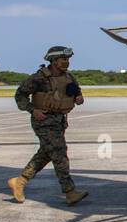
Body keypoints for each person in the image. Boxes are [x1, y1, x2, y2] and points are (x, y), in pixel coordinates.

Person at [9, 45, 89, 206]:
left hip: (59, 121)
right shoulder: (38, 78)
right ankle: (70, 192)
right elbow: (20, 95)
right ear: (53, 60)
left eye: (67, 59)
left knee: (46, 154)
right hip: (43, 121)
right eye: (63, 59)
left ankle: (20, 181)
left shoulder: (69, 77)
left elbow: (76, 92)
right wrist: (33, 110)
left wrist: (79, 98)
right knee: (60, 154)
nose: (66, 62)